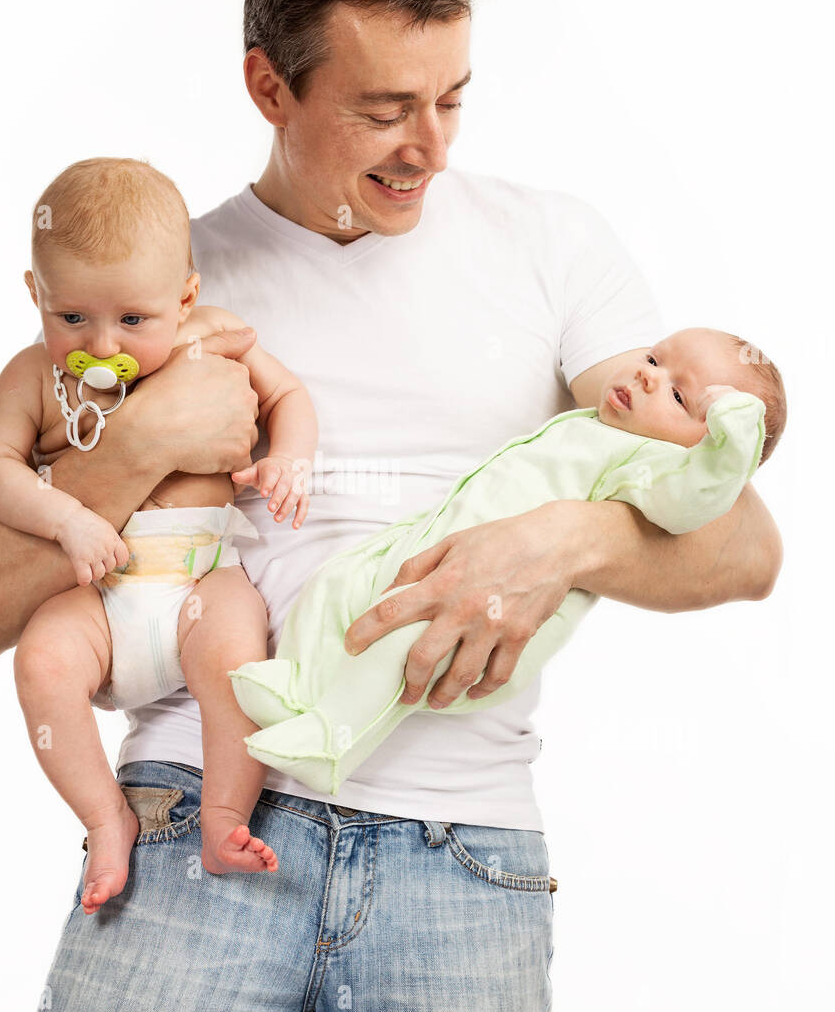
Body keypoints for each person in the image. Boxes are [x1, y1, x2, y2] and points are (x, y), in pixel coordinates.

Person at [0, 0, 783, 1012]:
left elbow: (743, 545)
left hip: (462, 850)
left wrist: (555, 541)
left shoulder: (552, 250)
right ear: (270, 87)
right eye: (383, 109)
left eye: (452, 98)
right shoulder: (149, 290)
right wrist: (143, 440)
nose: (429, 145)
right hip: (194, 819)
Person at [0, 157, 318, 902]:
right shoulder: (33, 378)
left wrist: (289, 458)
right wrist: (64, 517)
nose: (102, 344)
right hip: (100, 597)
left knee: (234, 651)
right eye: (72, 319)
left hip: (198, 579)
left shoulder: (214, 335)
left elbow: (287, 392)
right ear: (36, 294)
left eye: (133, 319)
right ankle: (105, 818)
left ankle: (224, 818)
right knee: (41, 663)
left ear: (185, 297)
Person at [231, 328, 784, 792]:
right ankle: (298, 687)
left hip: (488, 623)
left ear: (702, 445)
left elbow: (699, 503)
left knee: (402, 648)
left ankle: (334, 742)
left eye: (681, 397)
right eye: (654, 358)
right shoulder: (592, 425)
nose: (647, 375)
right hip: (429, 551)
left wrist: (731, 439)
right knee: (336, 584)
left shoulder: (655, 466)